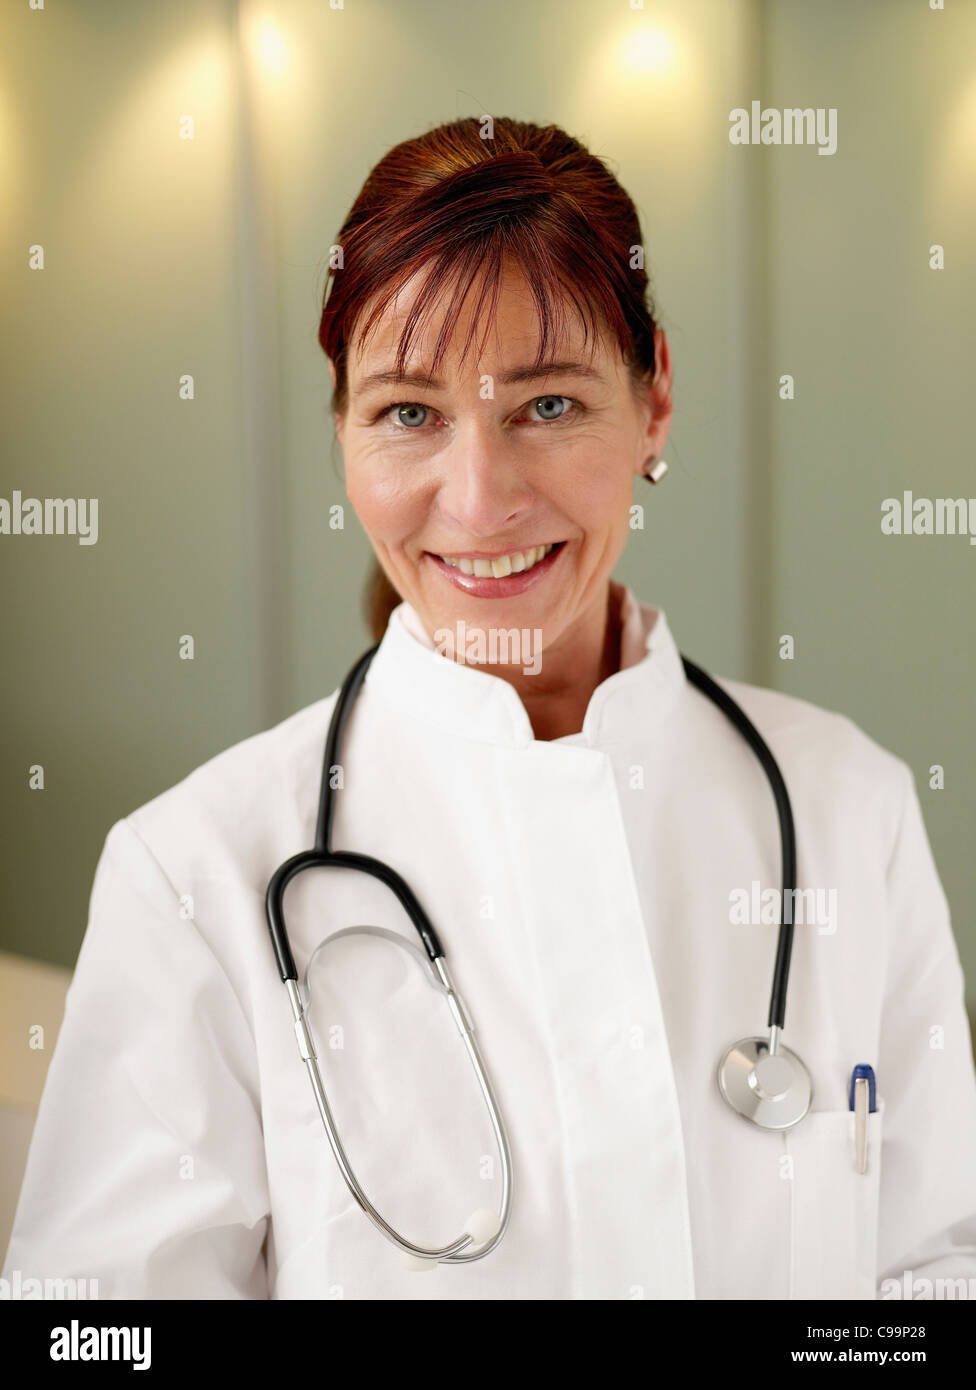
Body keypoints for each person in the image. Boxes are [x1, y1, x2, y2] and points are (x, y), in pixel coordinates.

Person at [5, 117, 976, 1300]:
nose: (478, 500)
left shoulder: (849, 811)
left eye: (549, 405)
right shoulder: (193, 869)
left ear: (654, 399)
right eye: (408, 412)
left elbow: (939, 1265)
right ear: (345, 432)